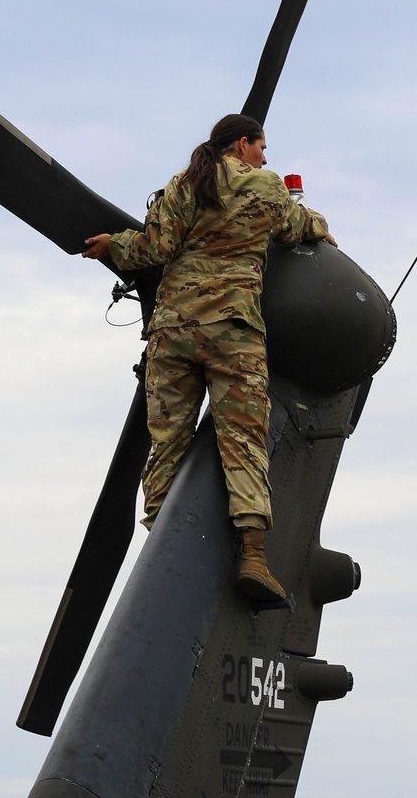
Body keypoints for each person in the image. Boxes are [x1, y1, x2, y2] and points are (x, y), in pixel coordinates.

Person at [82, 114, 335, 600]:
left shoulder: (185, 184)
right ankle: (255, 557)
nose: (266, 157)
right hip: (232, 330)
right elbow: (296, 225)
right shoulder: (266, 187)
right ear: (243, 144)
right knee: (243, 437)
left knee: (166, 443)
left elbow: (152, 248)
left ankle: (163, 546)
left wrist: (111, 245)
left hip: (174, 330)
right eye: (262, 146)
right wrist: (321, 227)